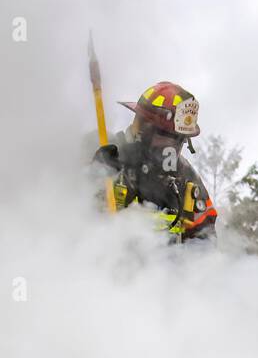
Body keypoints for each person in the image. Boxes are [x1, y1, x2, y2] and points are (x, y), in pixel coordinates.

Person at [92, 81, 217, 243]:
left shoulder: (186, 179)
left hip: (164, 266)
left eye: (178, 139)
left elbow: (205, 240)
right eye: (165, 136)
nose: (171, 147)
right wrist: (95, 174)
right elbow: (66, 211)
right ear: (141, 127)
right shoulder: (107, 155)